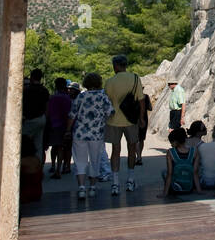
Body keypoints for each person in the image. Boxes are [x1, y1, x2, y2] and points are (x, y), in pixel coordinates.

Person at [103, 55, 144, 194]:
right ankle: (130, 180)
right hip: (131, 120)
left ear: (116, 66)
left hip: (113, 120)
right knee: (132, 149)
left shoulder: (109, 82)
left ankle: (115, 183)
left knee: (115, 151)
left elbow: (106, 102)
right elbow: (141, 100)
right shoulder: (135, 78)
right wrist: (141, 118)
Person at [71, 72, 114, 200]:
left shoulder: (80, 96)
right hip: (96, 134)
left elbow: (72, 114)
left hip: (80, 133)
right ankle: (93, 187)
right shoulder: (103, 97)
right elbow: (111, 112)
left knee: (80, 161)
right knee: (95, 161)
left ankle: (81, 188)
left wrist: (68, 130)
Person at [45, 77, 74, 178]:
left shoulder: (52, 98)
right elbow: (70, 113)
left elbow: (47, 112)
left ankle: (54, 166)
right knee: (63, 147)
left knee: (55, 147)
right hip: (64, 124)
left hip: (54, 124)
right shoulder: (67, 98)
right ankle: (61, 167)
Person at [160, 126, 199, 197]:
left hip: (175, 189)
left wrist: (164, 194)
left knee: (164, 172)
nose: (171, 145)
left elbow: (169, 173)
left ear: (175, 141)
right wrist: (199, 191)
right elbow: (195, 172)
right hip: (189, 189)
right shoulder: (195, 151)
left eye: (171, 142)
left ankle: (169, 190)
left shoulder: (170, 152)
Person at [21, 68, 49, 161]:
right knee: (39, 145)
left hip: (30, 119)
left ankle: (25, 166)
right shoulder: (45, 90)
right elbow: (46, 106)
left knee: (24, 143)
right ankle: (38, 167)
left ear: (32, 77)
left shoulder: (27, 90)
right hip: (41, 118)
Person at [136, 88, 153, 166]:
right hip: (144, 119)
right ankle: (139, 156)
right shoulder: (145, 97)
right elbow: (150, 108)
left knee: (135, 139)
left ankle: (138, 156)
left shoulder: (131, 97)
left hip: (133, 119)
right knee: (141, 139)